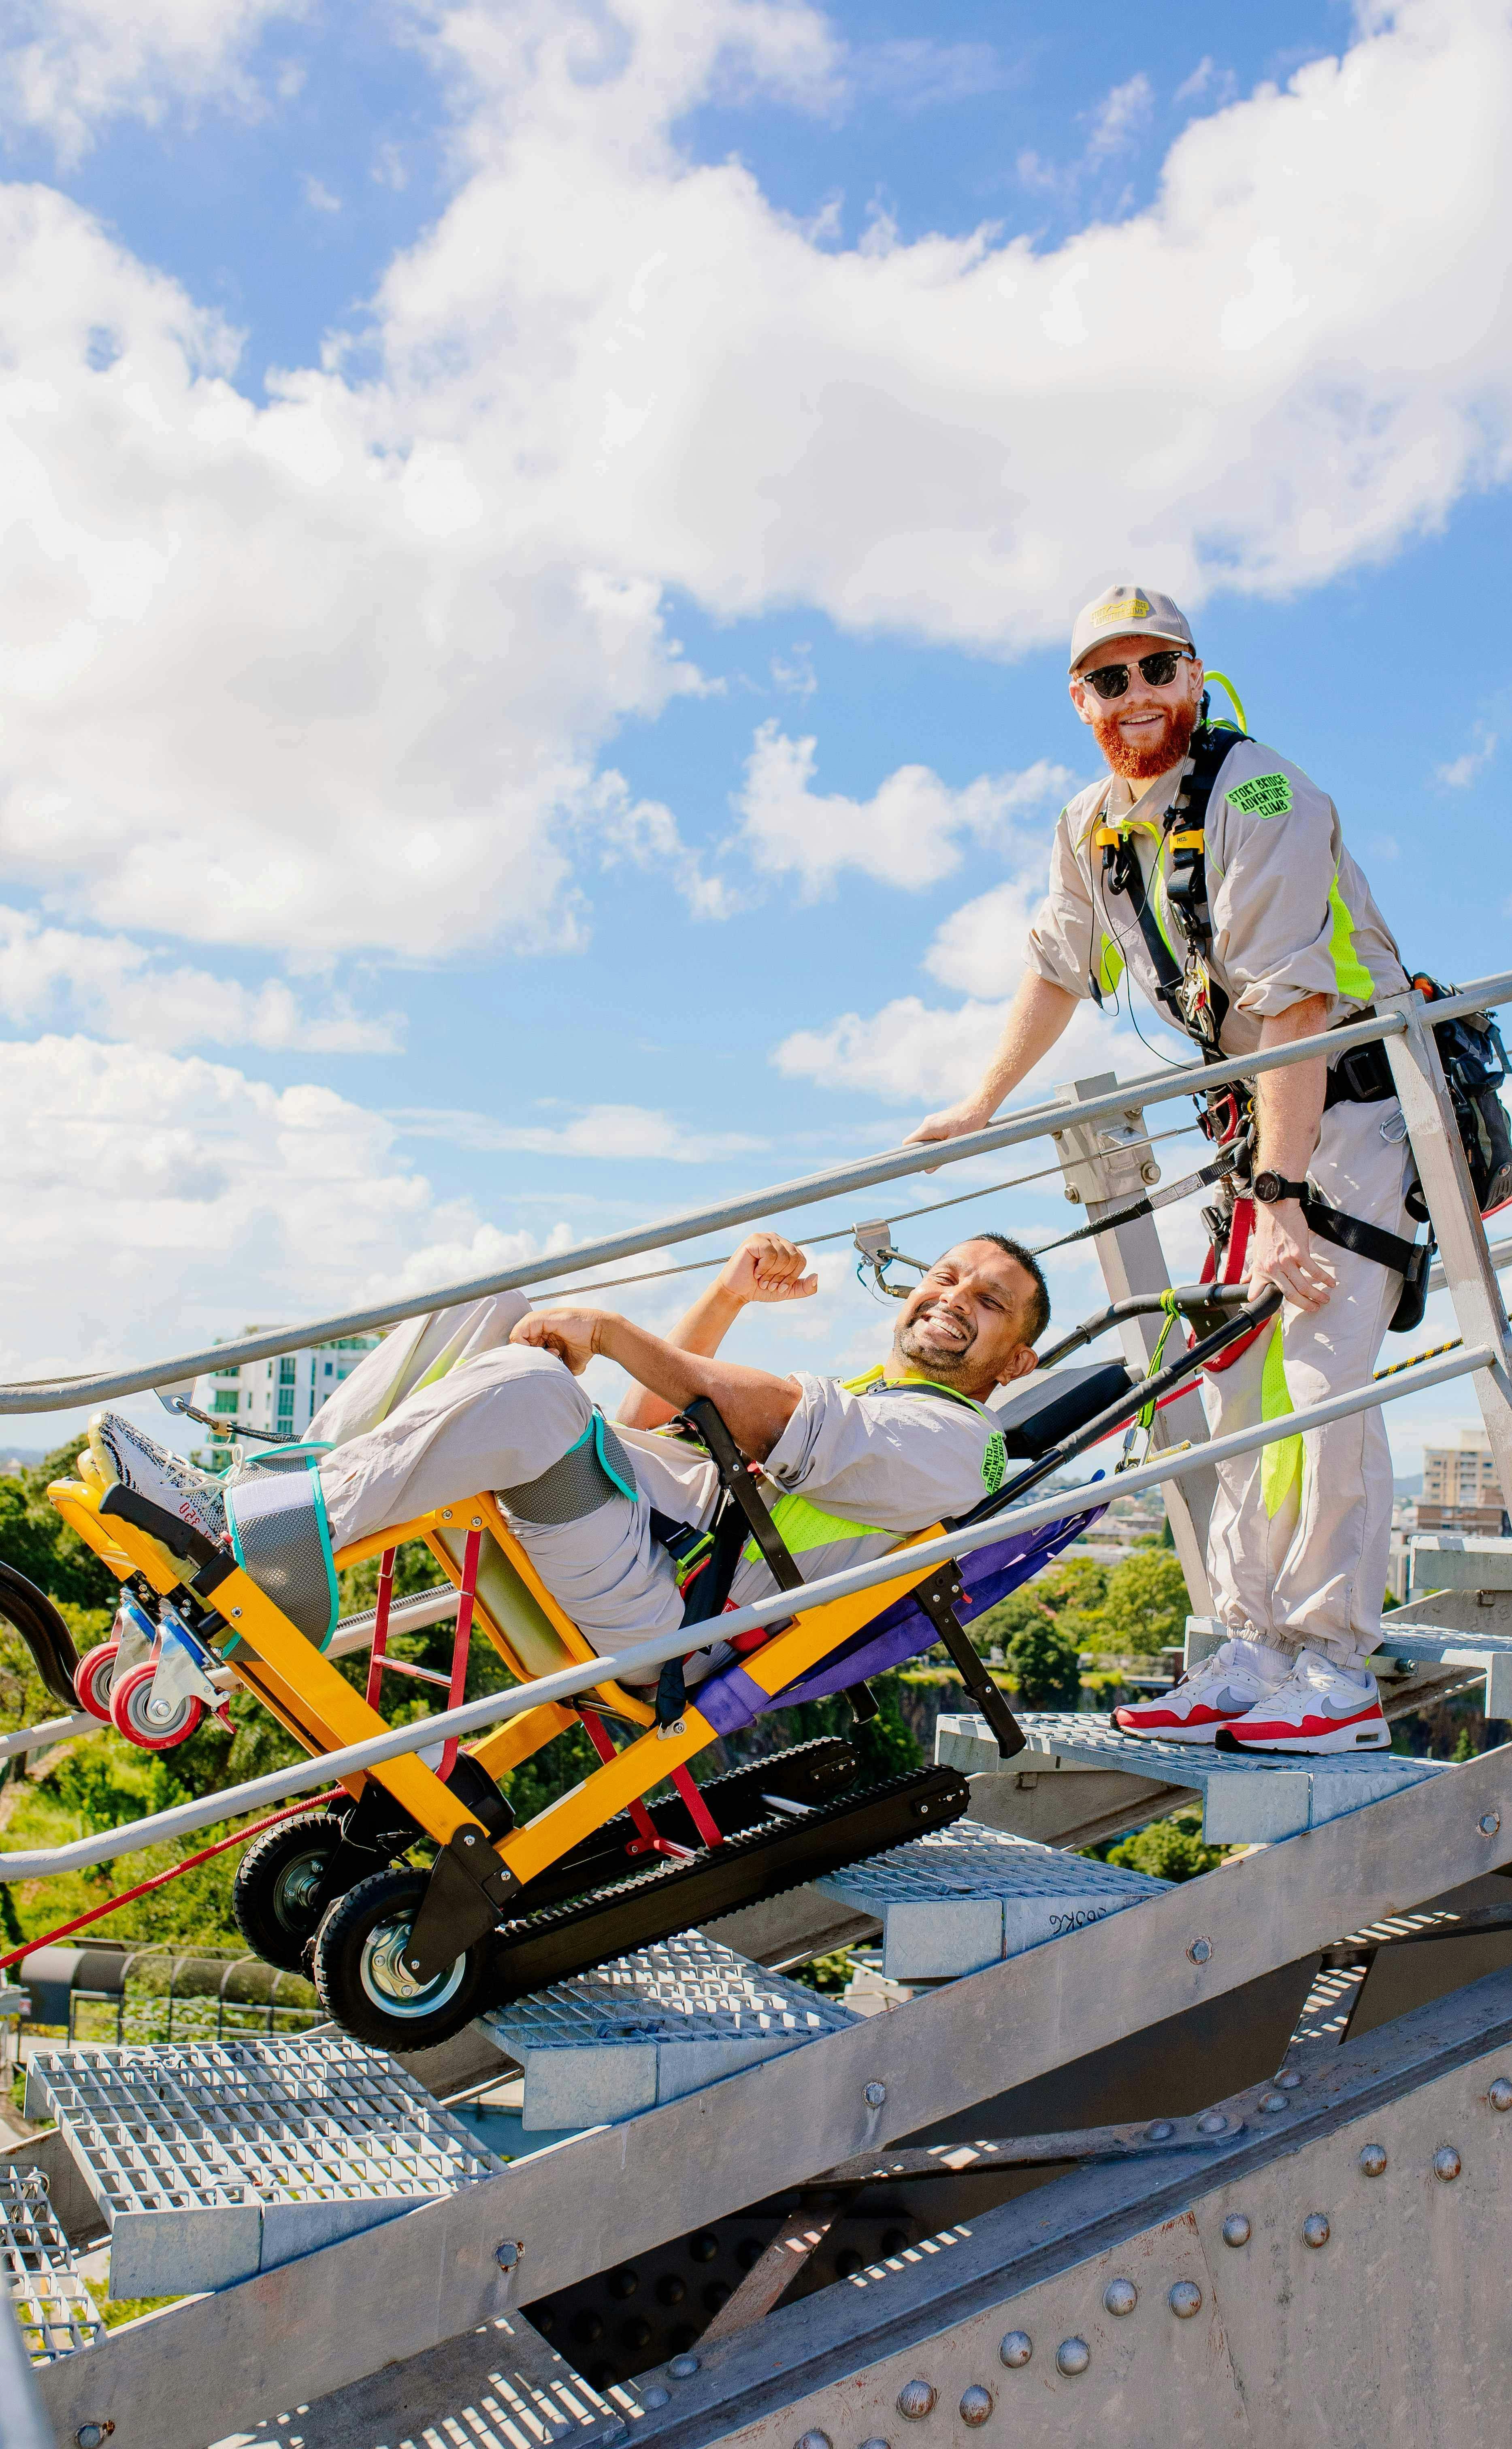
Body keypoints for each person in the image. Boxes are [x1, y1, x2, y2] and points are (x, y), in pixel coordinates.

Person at [907, 583, 1414, 1755]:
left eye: (1154, 670)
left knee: (1324, 1377)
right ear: (1078, 701)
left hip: (1345, 1111)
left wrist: (1282, 1199)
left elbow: (1294, 1001)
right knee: (1236, 1385)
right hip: (1257, 1128)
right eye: (1106, 678)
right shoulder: (1089, 821)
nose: (1133, 696)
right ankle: (1250, 1647)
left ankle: (1332, 1673)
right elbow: (1056, 961)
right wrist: (981, 1101)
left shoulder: (1261, 793)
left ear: (1193, 677)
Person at [84, 1230, 1046, 1687]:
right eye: (947, 1273)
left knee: (542, 1393)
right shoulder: (882, 1399)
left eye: (991, 1301)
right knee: (496, 1303)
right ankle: (264, 1511)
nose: (955, 1295)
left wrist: (614, 1329)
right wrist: (724, 1296)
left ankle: (246, 1537)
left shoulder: (962, 1447)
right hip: (642, 1548)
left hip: (674, 1609)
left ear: (1017, 1361)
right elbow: (642, 1423)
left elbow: (759, 1420)